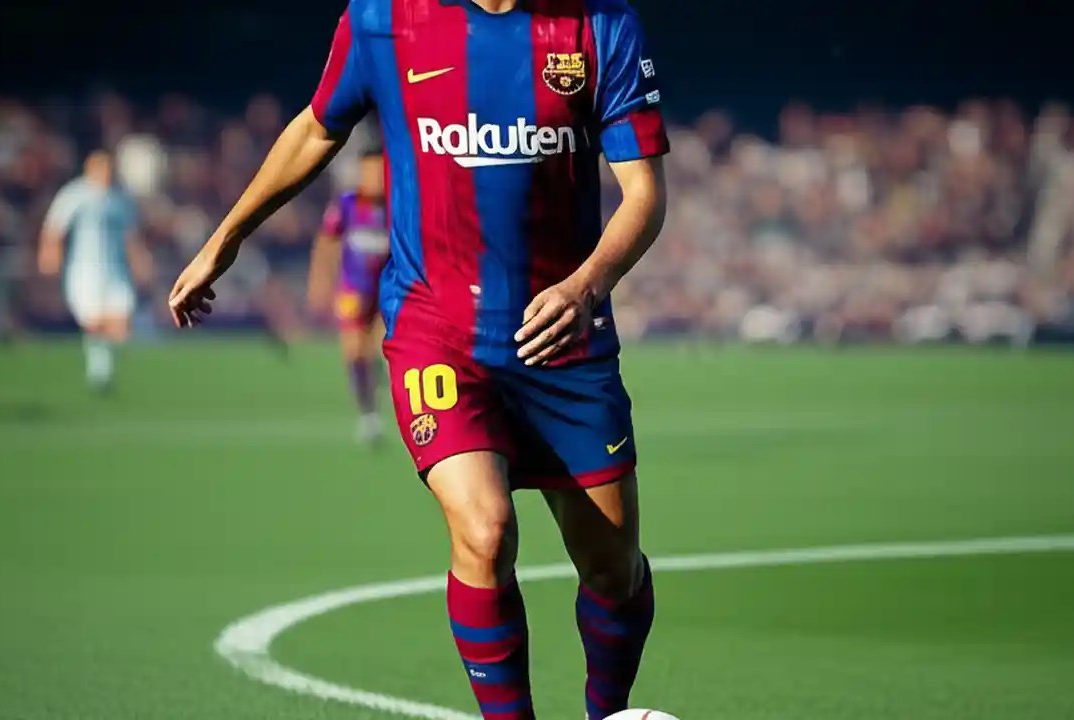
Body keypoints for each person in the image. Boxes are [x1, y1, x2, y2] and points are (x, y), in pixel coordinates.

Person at [168, 1, 669, 717]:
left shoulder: (598, 25)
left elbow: (644, 195)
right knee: (486, 529)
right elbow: (317, 126)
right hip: (437, 333)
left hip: (564, 336)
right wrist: (226, 239)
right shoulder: (382, 19)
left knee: (612, 569)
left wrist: (586, 286)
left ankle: (608, 713)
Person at [39, 151, 151, 393]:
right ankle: (100, 371)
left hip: (116, 270)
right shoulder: (75, 195)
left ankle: (102, 365)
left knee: (120, 323)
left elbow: (132, 237)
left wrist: (140, 262)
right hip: (83, 271)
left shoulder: (119, 199)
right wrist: (50, 255)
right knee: (94, 323)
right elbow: (54, 227)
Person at [308, 147, 391, 443]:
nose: (374, 178)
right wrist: (320, 281)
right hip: (353, 290)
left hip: (390, 290)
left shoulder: (399, 203)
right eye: (368, 171)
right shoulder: (347, 204)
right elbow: (327, 242)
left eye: (380, 171)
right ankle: (368, 415)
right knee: (355, 352)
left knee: (386, 348)